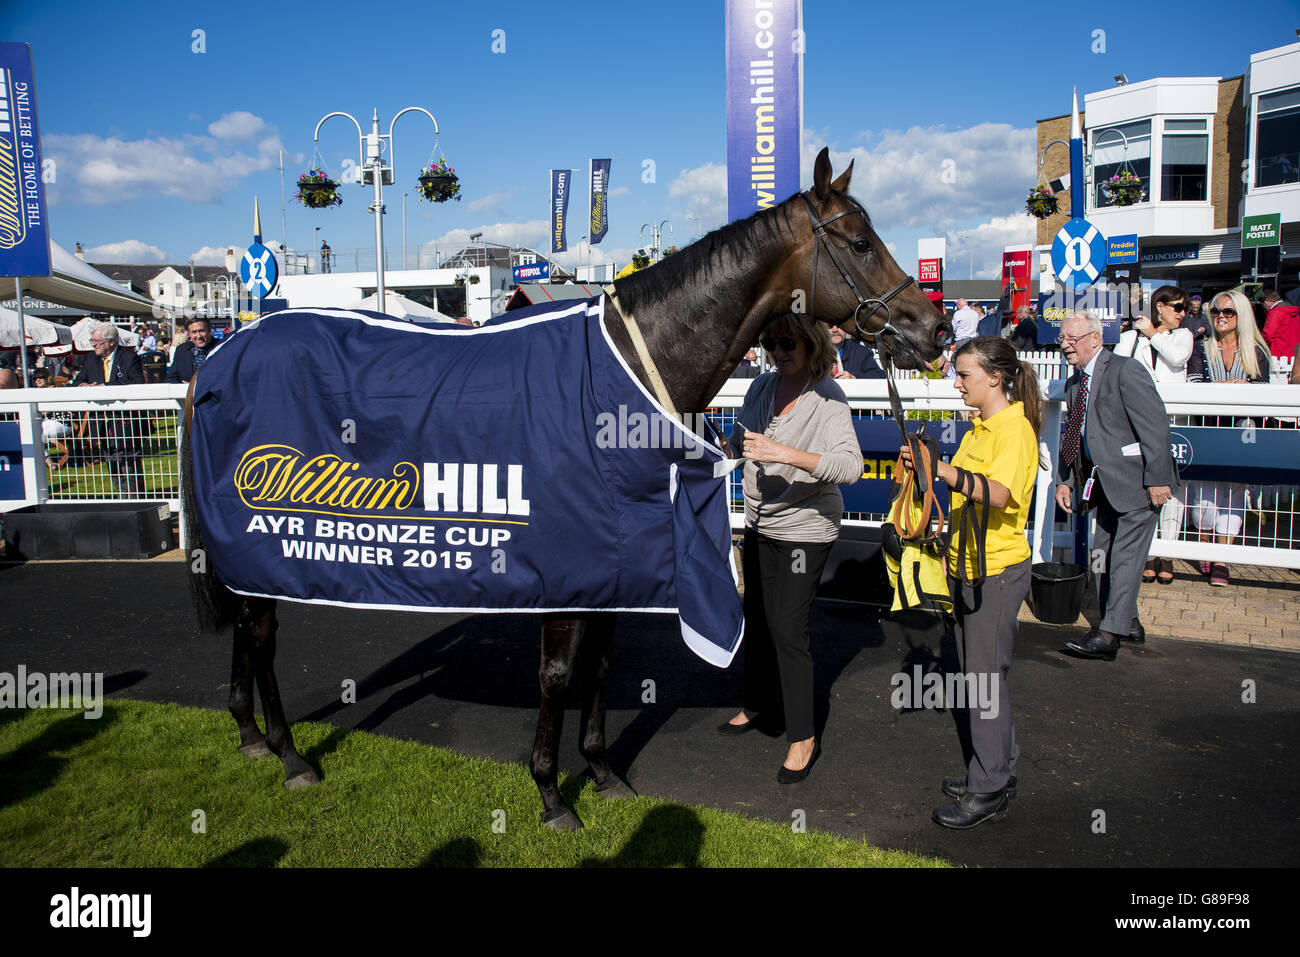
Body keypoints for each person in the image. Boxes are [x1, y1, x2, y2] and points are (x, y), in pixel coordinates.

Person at [898, 336, 1043, 829]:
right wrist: (927, 472)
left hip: (996, 572)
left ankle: (989, 788)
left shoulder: (1013, 431)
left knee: (983, 684)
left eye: (964, 375)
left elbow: (999, 495)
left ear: (995, 377)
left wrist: (940, 469)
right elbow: (965, 486)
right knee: (982, 681)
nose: (957, 383)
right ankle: (998, 770)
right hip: (971, 567)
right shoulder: (981, 428)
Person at [719, 313, 861, 783]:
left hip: (805, 527)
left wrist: (785, 454)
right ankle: (758, 704)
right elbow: (742, 444)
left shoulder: (828, 397)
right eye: (770, 342)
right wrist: (720, 445)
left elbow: (851, 466)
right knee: (757, 619)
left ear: (811, 344)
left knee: (786, 629)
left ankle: (803, 736)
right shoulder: (762, 386)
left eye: (788, 344)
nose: (778, 352)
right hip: (760, 521)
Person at [1055, 312, 1176, 660]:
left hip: (1138, 483)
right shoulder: (1073, 384)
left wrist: (1157, 480)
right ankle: (1129, 621)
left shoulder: (1125, 370)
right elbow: (1074, 438)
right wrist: (1065, 482)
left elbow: (1155, 428)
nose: (1065, 345)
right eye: (1062, 339)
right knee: (1102, 557)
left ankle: (1108, 636)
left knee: (1124, 559)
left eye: (1072, 339)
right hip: (1103, 486)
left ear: (1095, 338)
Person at [1185, 289, 1271, 587]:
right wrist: (1227, 387)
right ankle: (1205, 543)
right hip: (1208, 432)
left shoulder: (1256, 351)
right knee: (1205, 501)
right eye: (1216, 312)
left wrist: (1245, 384)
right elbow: (1194, 383)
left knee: (1234, 492)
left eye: (1228, 312)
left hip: (1241, 435)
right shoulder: (1200, 348)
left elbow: (1263, 389)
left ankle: (1222, 557)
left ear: (1241, 316)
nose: (1221, 316)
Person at [1116, 286, 1194, 584]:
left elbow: (1176, 358)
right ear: (1159, 306)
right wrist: (1143, 334)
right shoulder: (1130, 338)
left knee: (1171, 487)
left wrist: (1153, 334)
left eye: (1184, 308)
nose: (1182, 313)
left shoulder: (1182, 336)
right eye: (1177, 307)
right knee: (1141, 483)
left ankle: (1168, 554)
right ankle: (1147, 554)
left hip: (1172, 421)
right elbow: (1119, 370)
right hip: (1137, 421)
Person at [72, 322, 147, 496]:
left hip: (126, 421)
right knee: (111, 459)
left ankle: (136, 499)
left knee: (128, 461)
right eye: (92, 340)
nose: (93, 344)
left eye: (97, 340)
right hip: (102, 422)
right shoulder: (92, 359)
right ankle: (122, 496)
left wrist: (104, 386)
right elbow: (78, 380)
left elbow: (137, 383)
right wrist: (83, 385)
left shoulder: (129, 358)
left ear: (111, 342)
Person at [166, 317, 215, 384]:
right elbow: (172, 378)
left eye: (202, 331)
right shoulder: (182, 349)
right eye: (194, 332)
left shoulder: (222, 348)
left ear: (209, 330)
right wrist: (184, 387)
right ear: (189, 334)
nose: (198, 336)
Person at [1260, 288, 1300, 361]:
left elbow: (1268, 335)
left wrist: (1258, 342)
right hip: (1294, 353)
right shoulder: (1294, 312)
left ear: (1267, 301)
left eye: (1263, 305)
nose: (1264, 308)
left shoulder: (1275, 313)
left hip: (1278, 354)